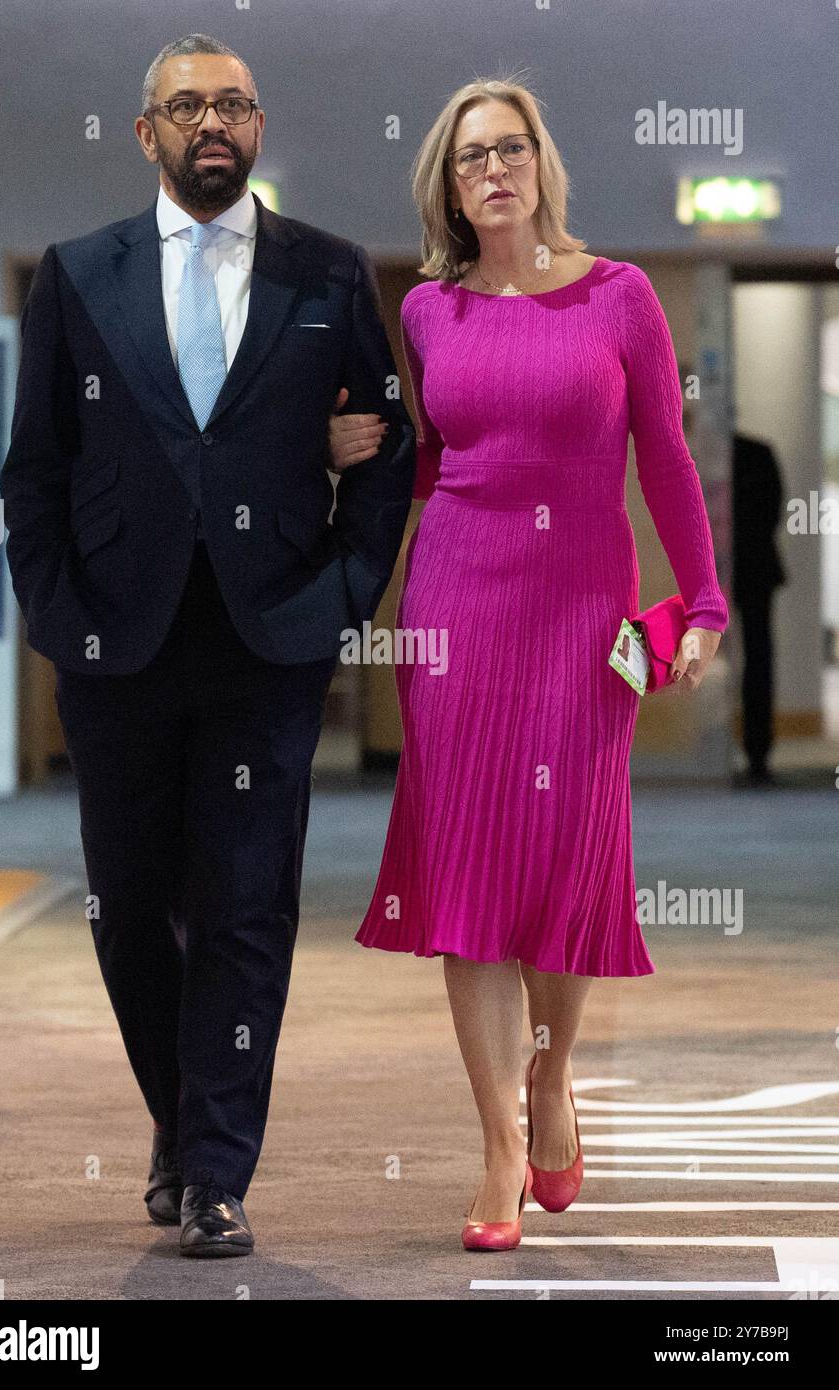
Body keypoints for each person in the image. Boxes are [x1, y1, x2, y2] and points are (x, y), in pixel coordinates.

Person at [0, 33, 415, 1258]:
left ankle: (218, 1168)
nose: (213, 123)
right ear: (147, 134)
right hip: (114, 648)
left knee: (244, 907)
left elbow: (384, 448)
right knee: (128, 911)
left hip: (266, 643)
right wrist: (53, 610)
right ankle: (183, 1123)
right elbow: (35, 471)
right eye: (189, 107)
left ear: (260, 125)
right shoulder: (79, 276)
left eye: (234, 103)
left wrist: (342, 595)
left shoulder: (329, 276)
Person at [330, 77, 728, 1251]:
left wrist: (700, 602)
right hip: (456, 607)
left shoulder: (622, 296)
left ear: (542, 162)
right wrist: (338, 452)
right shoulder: (429, 315)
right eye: (468, 159)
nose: (492, 169)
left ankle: (553, 1081)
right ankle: (500, 1141)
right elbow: (425, 463)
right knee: (468, 884)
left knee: (564, 861)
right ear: (448, 187)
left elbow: (664, 456)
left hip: (579, 614)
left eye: (508, 149)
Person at [731, 432, 787, 786]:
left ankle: (758, 750)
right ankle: (757, 752)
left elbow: (771, 512)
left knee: (758, 659)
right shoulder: (757, 453)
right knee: (758, 657)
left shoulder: (754, 453)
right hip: (753, 566)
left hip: (750, 567)